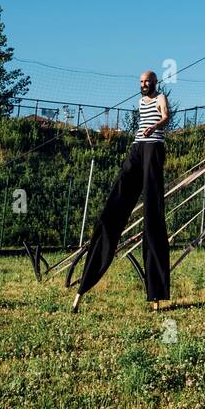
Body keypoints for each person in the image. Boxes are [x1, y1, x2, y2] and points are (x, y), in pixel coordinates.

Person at [72, 71, 170, 313]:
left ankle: (156, 292)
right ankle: (88, 278)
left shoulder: (161, 97)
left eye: (147, 81)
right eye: (141, 82)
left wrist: (154, 126)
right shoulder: (139, 102)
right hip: (138, 148)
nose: (143, 85)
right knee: (115, 204)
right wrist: (141, 134)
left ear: (155, 82)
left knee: (152, 211)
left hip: (153, 148)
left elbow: (166, 117)